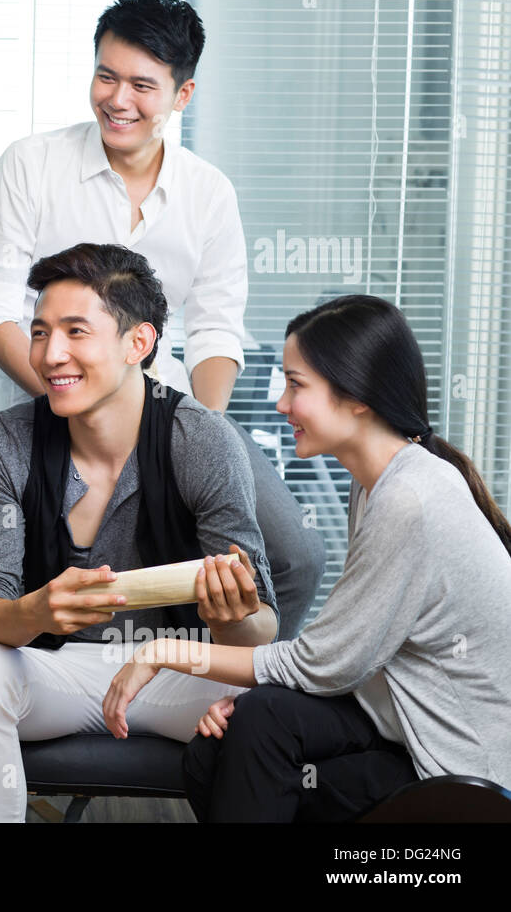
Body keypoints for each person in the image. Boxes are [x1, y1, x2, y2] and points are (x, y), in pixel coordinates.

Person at [0, 0, 324, 637]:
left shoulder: (207, 192)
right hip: (44, 406)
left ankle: (223, 698)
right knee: (60, 575)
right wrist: (74, 394)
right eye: (106, 76)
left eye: (141, 84)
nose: (117, 99)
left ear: (182, 95)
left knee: (295, 558)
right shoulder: (31, 165)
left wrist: (194, 438)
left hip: (170, 409)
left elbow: (216, 326)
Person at [103, 294, 511, 821]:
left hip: (453, 766)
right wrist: (257, 697)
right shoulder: (375, 487)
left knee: (252, 744)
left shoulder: (409, 500)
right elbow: (350, 652)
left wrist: (159, 652)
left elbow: (320, 664)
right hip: (400, 719)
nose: (281, 405)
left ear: (357, 394)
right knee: (223, 745)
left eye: (296, 385)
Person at [0, 242, 280, 823]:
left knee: (274, 704)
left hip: (174, 670)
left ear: (137, 343)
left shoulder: (203, 440)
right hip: (53, 669)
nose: (51, 354)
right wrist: (38, 610)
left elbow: (261, 632)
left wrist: (231, 615)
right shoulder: (6, 440)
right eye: (40, 332)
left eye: (76, 331)